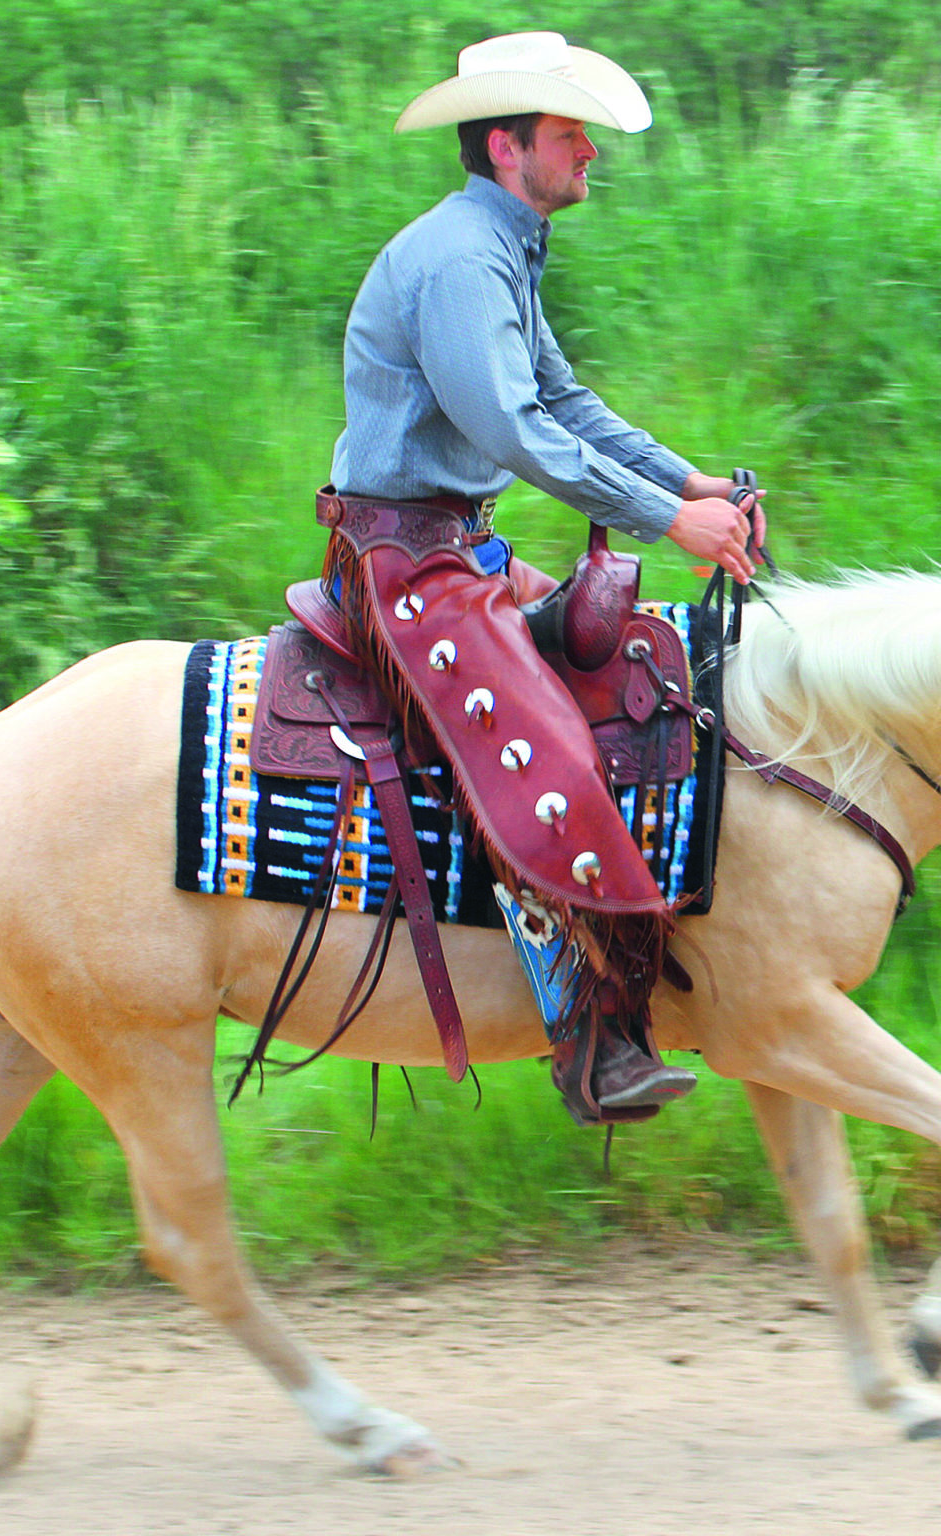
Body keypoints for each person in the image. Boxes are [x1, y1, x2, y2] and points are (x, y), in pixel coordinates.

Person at [319, 31, 765, 1124]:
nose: (589, 154)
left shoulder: (502, 246)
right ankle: (592, 1029)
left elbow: (564, 403)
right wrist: (671, 522)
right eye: (571, 135)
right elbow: (515, 432)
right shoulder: (461, 260)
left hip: (455, 546)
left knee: (622, 672)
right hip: (406, 564)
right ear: (509, 146)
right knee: (546, 744)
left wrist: (688, 476)